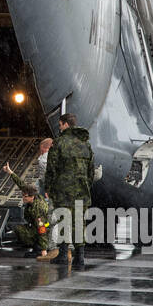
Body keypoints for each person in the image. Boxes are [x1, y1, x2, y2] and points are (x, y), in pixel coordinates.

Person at [43, 113, 93, 266]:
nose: (59, 128)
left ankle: (64, 254)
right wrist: (85, 185)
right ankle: (80, 257)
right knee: (79, 222)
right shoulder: (86, 144)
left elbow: (51, 168)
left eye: (60, 125)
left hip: (63, 189)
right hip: (81, 190)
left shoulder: (59, 143)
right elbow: (90, 171)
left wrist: (49, 187)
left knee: (64, 220)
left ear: (65, 124)